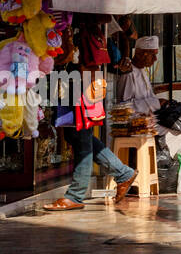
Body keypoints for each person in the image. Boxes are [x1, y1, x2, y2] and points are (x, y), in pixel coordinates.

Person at [44, 67, 137, 211]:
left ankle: (75, 195)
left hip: (81, 81)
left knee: (81, 136)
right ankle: (123, 173)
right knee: (74, 134)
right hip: (77, 80)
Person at [117, 35, 160, 115]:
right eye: (152, 54)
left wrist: (159, 103)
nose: (155, 59)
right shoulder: (128, 73)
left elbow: (150, 96)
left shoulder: (143, 71)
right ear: (139, 53)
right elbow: (124, 106)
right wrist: (156, 103)